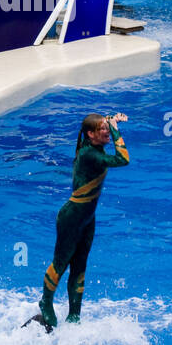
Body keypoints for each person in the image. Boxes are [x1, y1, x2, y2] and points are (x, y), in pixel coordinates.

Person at [35, 112, 129, 330]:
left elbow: (96, 125)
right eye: (102, 130)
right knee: (61, 263)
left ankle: (74, 315)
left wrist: (109, 119)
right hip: (72, 217)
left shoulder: (94, 145)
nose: (106, 132)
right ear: (91, 134)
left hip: (87, 219)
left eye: (106, 128)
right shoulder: (89, 154)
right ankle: (46, 302)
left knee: (80, 267)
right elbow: (123, 159)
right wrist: (115, 130)